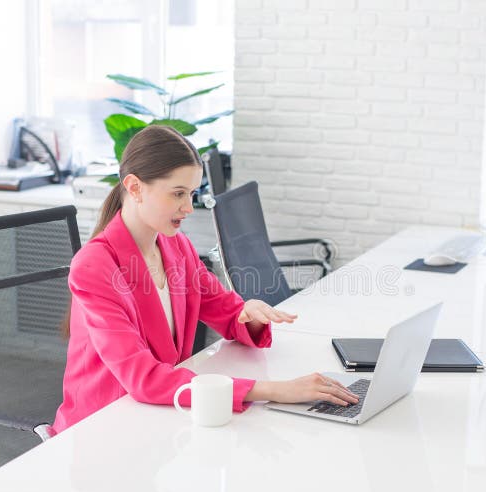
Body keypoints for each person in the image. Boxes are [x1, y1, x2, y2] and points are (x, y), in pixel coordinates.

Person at [51, 126, 358, 434]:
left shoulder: (176, 246)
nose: (188, 207)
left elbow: (224, 310)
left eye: (192, 194)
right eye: (178, 193)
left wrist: (249, 314)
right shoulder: (94, 266)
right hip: (103, 427)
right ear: (134, 188)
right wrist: (275, 391)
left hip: (161, 417)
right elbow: (142, 378)